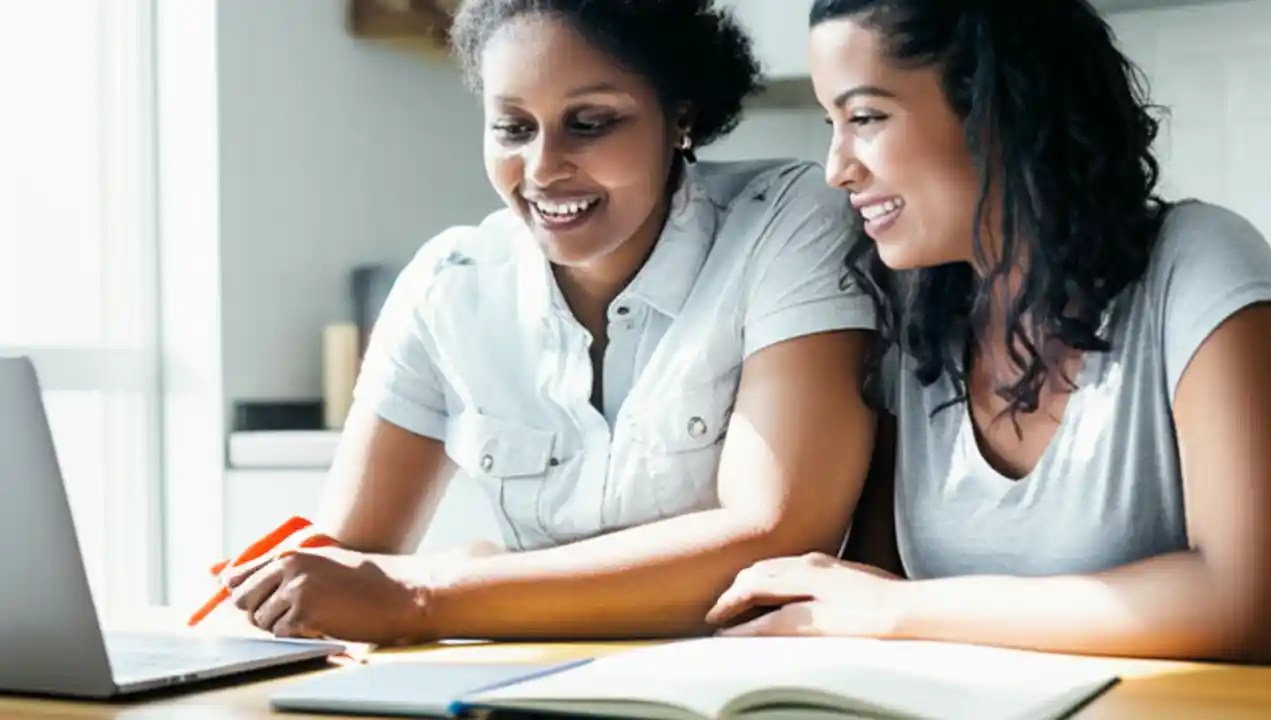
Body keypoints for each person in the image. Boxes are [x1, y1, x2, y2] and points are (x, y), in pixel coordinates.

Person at [225, 0, 880, 644]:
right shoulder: (448, 283)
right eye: (513, 128)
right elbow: (344, 567)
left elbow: (777, 535)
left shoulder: (788, 222)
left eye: (590, 123)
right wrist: (294, 591)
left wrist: (432, 594)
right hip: (521, 684)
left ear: (680, 115)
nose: (542, 168)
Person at [708, 0, 1271, 663]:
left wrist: (899, 610)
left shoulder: (1200, 264)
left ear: (997, 110)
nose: (837, 167)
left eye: (864, 118)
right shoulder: (912, 311)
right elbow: (865, 596)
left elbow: (1251, 601)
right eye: (832, 122)